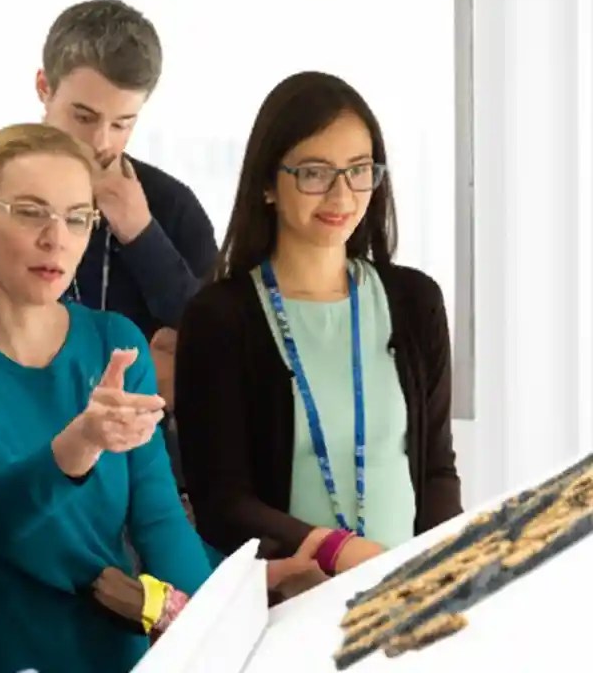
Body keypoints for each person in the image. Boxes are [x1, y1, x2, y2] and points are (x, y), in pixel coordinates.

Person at [0, 123, 212, 673]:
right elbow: (7, 514)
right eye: (29, 211)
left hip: (113, 655)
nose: (56, 238)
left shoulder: (115, 342)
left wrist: (219, 626)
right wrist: (82, 440)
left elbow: (159, 520)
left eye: (76, 217)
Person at [174, 71, 462, 579]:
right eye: (314, 172)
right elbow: (221, 500)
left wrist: (440, 569)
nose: (342, 195)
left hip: (403, 600)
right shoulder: (220, 317)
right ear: (268, 183)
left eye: (359, 170)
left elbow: (436, 469)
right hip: (288, 596)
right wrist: (330, 548)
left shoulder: (415, 301)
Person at [29, 0, 218, 500]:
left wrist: (141, 232)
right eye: (84, 116)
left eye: (122, 123)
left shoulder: (171, 207)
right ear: (43, 88)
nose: (101, 141)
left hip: (147, 485)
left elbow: (218, 348)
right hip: (25, 466)